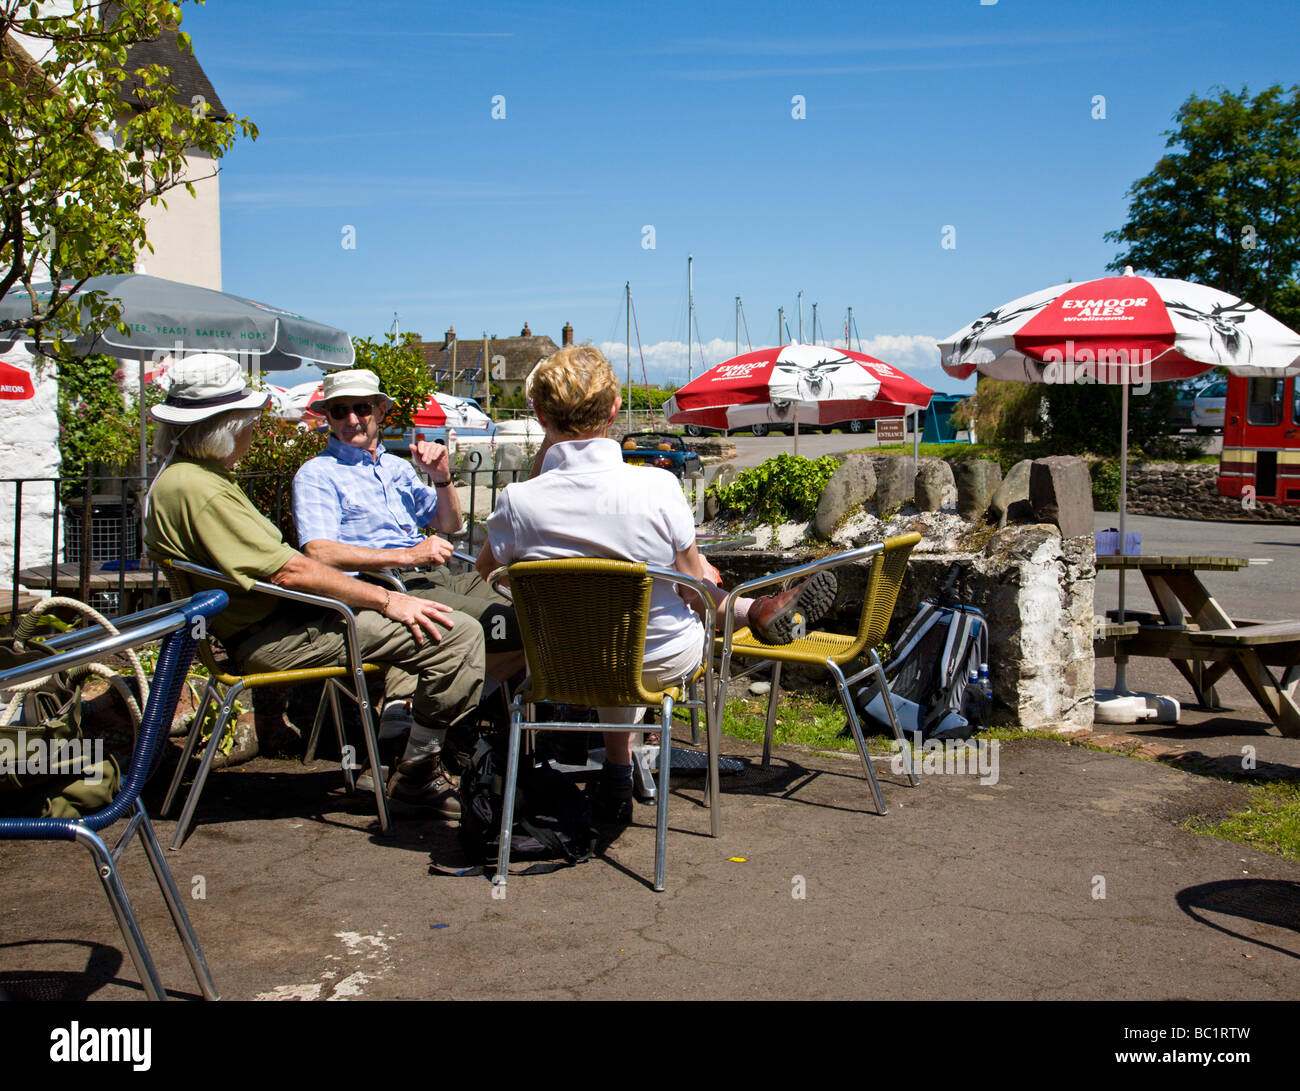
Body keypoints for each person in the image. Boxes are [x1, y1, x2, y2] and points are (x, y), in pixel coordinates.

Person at [475, 344, 835, 821]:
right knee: (673, 603)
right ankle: (754, 610)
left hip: (559, 665)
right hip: (661, 659)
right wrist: (701, 576)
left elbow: (488, 572)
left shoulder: (517, 503)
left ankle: (616, 778)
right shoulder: (658, 487)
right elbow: (696, 595)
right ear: (616, 410)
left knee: (604, 643)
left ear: (540, 415)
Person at [144, 354, 483, 819]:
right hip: (277, 634)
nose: (252, 431)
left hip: (281, 621)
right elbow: (294, 570)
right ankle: (417, 773)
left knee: (477, 615)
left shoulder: (183, 478)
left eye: (362, 408)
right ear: (224, 426)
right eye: (247, 421)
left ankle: (405, 751)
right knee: (458, 634)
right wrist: (389, 600)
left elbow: (449, 524)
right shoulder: (200, 489)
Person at [291, 369, 523, 684]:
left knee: (536, 611)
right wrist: (409, 556)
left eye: (361, 408)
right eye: (339, 410)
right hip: (389, 586)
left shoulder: (397, 467)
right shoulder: (317, 473)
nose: (351, 419)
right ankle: (435, 705)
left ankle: (460, 697)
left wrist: (441, 476)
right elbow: (318, 553)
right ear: (328, 419)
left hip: (437, 578)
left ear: (380, 410)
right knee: (517, 627)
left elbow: (450, 523)